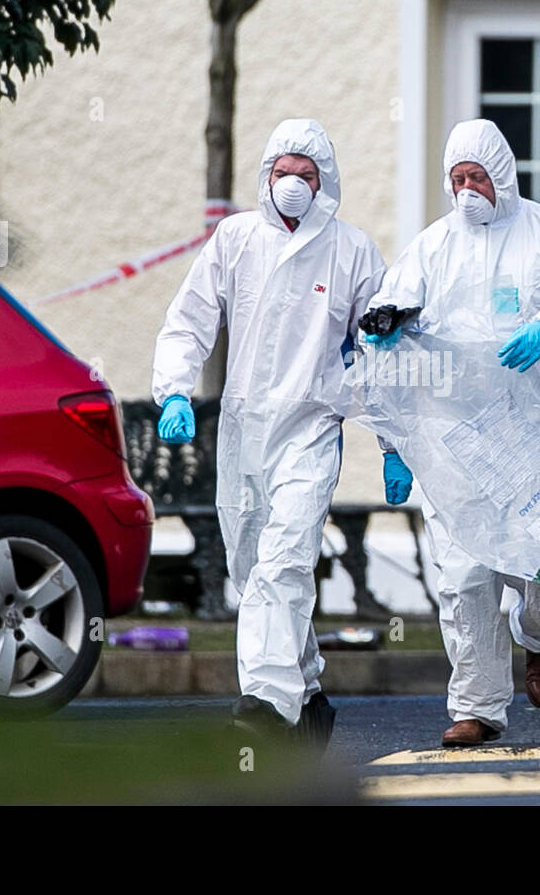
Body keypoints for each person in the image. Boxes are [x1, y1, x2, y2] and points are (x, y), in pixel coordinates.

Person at [369, 118, 540, 747]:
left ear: (502, 175)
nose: (466, 189)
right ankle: (477, 706)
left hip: (536, 431)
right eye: (456, 178)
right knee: (464, 575)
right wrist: (395, 446)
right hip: (454, 439)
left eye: (476, 176)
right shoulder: (430, 249)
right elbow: (385, 339)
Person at [152, 119, 386, 747]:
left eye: (306, 176)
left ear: (324, 184)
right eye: (283, 172)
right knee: (253, 567)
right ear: (266, 174)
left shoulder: (352, 250)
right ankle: (308, 694)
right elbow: (190, 318)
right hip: (243, 430)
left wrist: (392, 440)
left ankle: (265, 703)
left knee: (285, 562)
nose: (292, 185)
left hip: (311, 429)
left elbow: (383, 351)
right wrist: (174, 388)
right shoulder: (235, 239)